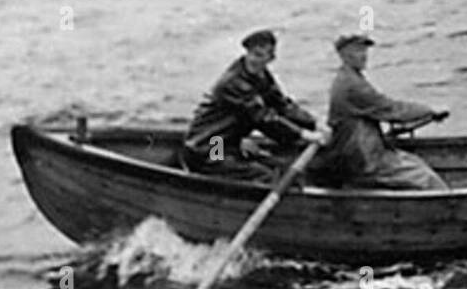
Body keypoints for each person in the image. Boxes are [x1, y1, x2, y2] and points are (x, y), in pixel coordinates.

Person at [311, 34, 451, 191]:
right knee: (428, 179)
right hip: (364, 161)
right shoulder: (352, 85)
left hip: (364, 153)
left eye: (364, 50)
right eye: (357, 50)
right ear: (344, 55)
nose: (364, 55)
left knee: (416, 162)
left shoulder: (349, 78)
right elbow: (391, 110)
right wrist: (428, 111)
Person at [182, 29, 325, 181]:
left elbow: (282, 106)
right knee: (266, 177)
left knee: (280, 166)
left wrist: (315, 124)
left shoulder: (261, 76)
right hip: (210, 146)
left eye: (262, 56)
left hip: (228, 143)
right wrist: (302, 134)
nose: (255, 61)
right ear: (247, 53)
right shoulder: (233, 83)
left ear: (271, 58)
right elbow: (262, 118)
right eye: (254, 54)